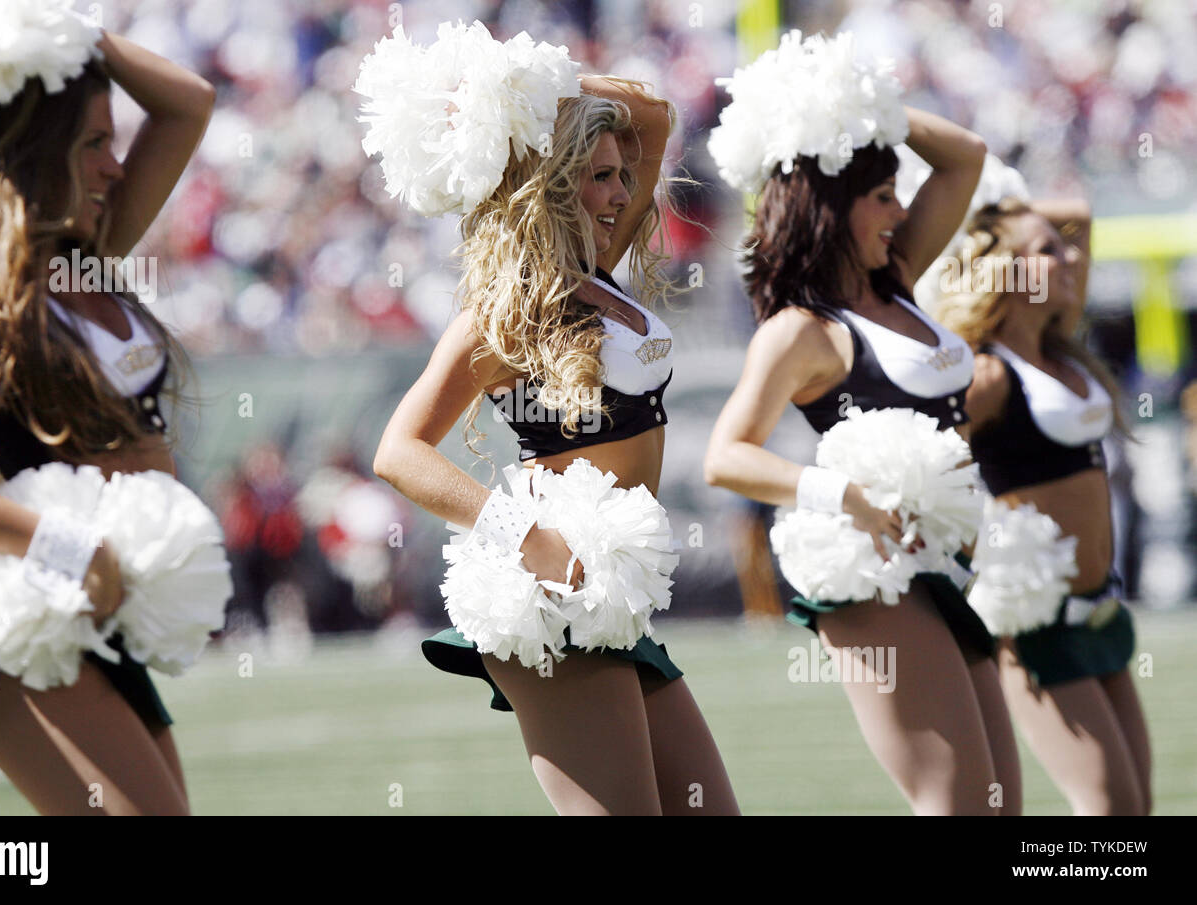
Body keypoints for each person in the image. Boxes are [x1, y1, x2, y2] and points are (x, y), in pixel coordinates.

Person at [366, 23, 737, 815]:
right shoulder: (502, 313)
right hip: (555, 587)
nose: (617, 193)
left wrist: (532, 90)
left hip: (614, 594)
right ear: (552, 185)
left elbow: (655, 116)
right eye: (598, 177)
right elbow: (399, 451)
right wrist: (519, 535)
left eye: (617, 176)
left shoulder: (603, 268)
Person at [0, 9, 214, 815]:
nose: (114, 167)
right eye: (92, 145)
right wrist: (73, 550)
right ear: (36, 154)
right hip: (29, 618)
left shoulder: (90, 259)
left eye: (113, 143)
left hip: (94, 612)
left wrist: (65, 38)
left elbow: (188, 105)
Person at [702, 32, 1020, 814]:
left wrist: (852, 105)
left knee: (998, 800)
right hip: (872, 563)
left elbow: (965, 155)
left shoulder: (899, 274)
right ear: (833, 205)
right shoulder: (802, 330)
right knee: (957, 799)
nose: (901, 210)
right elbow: (726, 456)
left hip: (944, 556)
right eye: (882, 194)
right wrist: (844, 495)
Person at [933, 196, 1152, 815]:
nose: (1071, 257)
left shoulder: (1058, 346)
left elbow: (1081, 211)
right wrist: (983, 549)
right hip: (1038, 624)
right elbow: (927, 462)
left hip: (1102, 611)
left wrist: (1001, 203)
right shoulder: (987, 374)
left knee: (1132, 815)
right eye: (1048, 251)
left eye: (1063, 248)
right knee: (1109, 814)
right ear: (1007, 270)